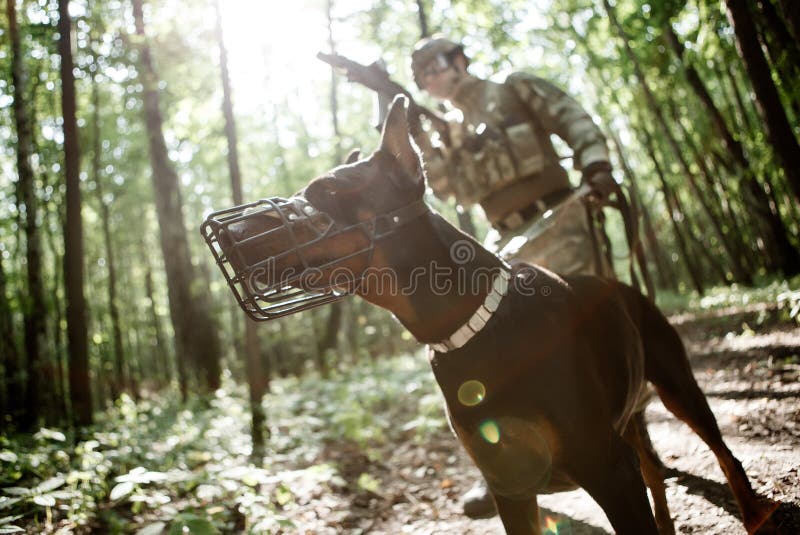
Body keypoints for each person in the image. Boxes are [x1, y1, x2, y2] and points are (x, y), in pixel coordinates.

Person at [410, 35, 617, 519]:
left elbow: (573, 119)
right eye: (421, 76)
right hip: (506, 245)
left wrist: (597, 164)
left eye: (434, 67)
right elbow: (448, 190)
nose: (430, 79)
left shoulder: (513, 89)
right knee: (503, 354)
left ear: (460, 60)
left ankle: (628, 429)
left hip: (562, 221)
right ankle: (506, 467)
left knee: (593, 329)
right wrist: (422, 141)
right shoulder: (448, 131)